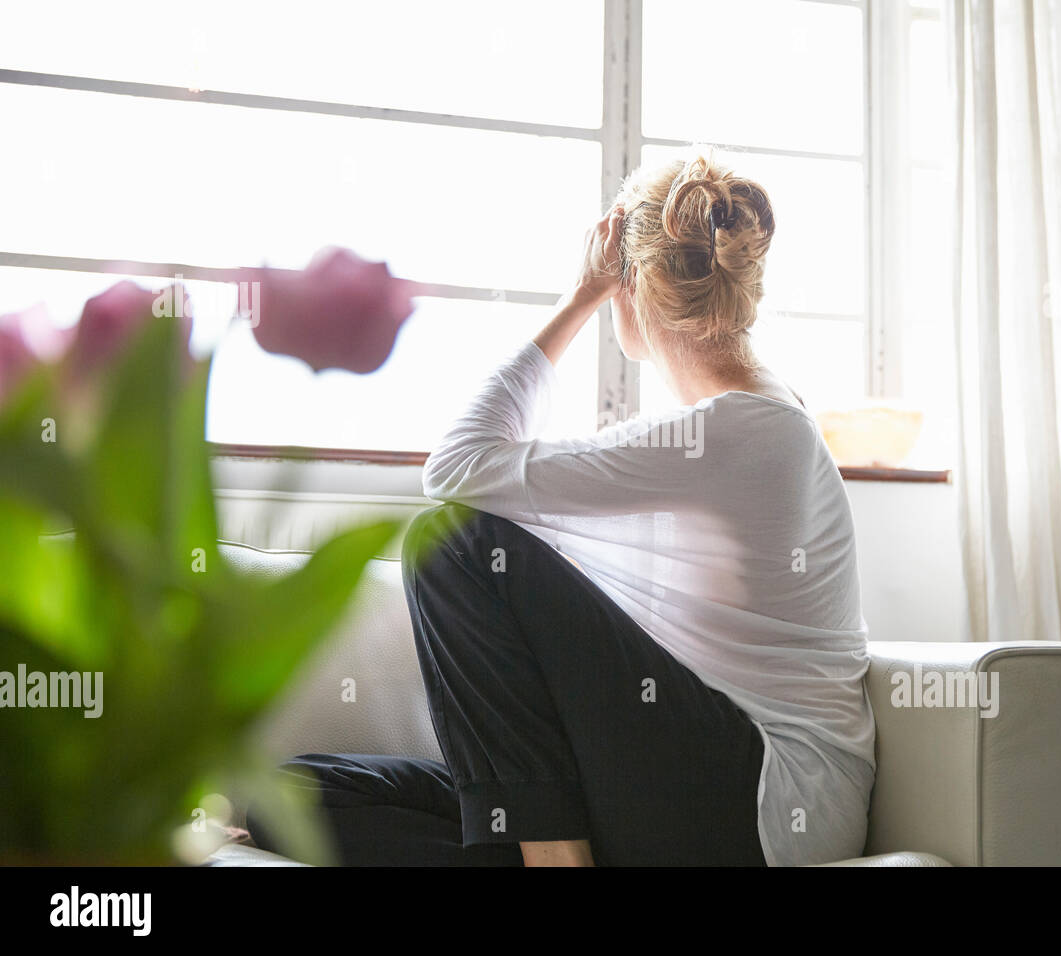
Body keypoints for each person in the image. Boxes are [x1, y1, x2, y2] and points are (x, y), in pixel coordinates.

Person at [249, 151, 876, 867]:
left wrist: (579, 297)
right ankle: (548, 851)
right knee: (296, 799)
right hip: (687, 787)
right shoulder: (745, 423)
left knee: (449, 540)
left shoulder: (739, 432)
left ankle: (554, 860)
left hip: (763, 804)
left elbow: (455, 470)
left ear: (631, 284)